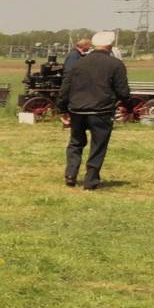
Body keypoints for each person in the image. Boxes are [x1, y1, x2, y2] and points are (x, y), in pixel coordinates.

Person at [57, 29, 131, 189]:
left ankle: (71, 174)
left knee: (76, 143)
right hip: (101, 111)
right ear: (110, 46)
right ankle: (91, 180)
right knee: (98, 145)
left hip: (77, 110)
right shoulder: (116, 64)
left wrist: (62, 109)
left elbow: (66, 87)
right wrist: (128, 107)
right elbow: (123, 91)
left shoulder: (78, 63)